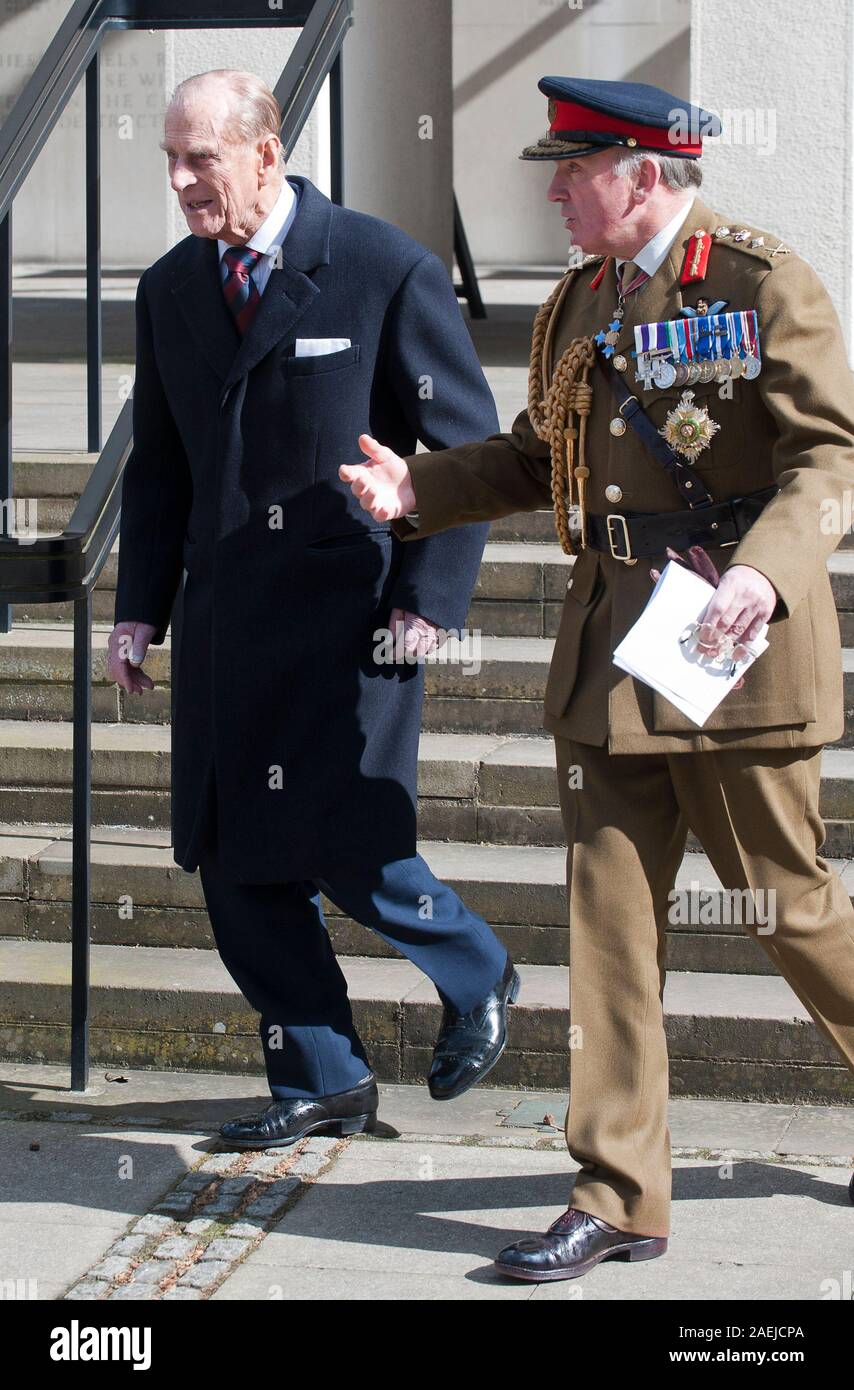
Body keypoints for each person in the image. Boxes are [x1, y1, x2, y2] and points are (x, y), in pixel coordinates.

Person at [341, 76, 854, 1280]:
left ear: (642, 175)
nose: (556, 192)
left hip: (733, 653)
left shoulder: (755, 280)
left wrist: (765, 573)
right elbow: (542, 453)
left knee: (786, 905)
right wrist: (420, 489)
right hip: (616, 659)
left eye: (572, 172)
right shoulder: (582, 299)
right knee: (610, 932)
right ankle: (618, 1193)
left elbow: (828, 456)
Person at [107, 69, 520, 1151]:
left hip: (351, 613)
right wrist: (137, 610)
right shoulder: (169, 289)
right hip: (222, 626)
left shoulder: (382, 265)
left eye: (201, 157)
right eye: (171, 159)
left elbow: (466, 450)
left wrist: (430, 595)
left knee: (345, 839)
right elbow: (159, 471)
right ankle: (321, 1076)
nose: (184, 180)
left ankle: (475, 967)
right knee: (232, 855)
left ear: (264, 150)